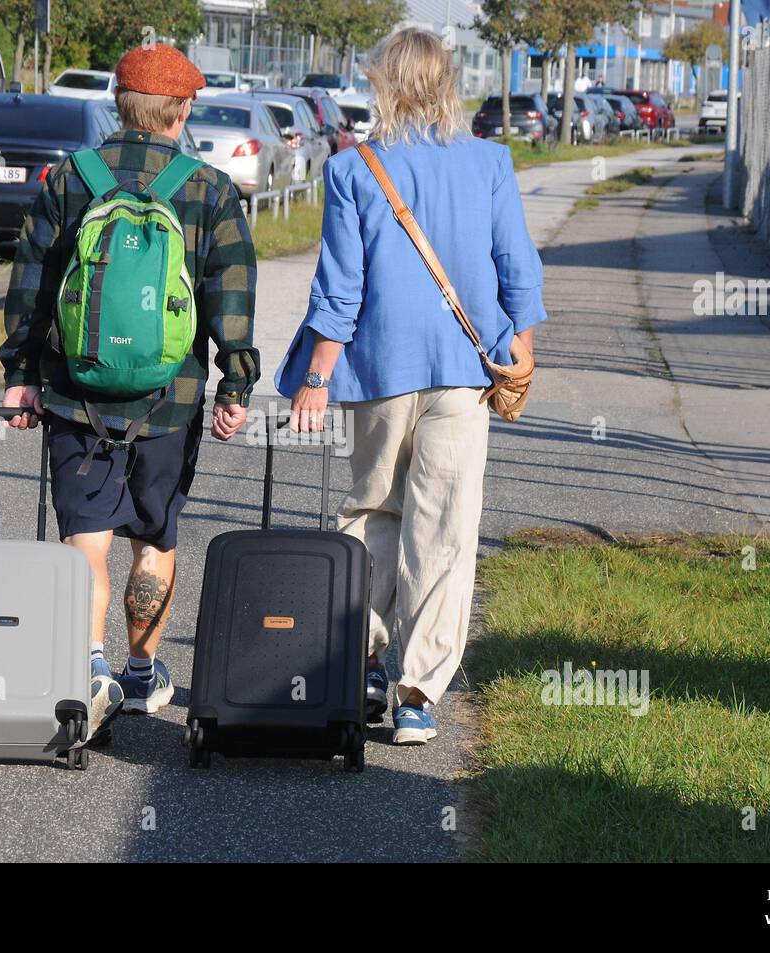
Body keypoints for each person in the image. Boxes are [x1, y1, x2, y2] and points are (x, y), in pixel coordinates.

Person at [275, 29, 546, 746]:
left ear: (383, 83)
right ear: (450, 81)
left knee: (371, 508)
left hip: (378, 369)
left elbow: (340, 288)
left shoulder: (353, 169)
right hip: (464, 369)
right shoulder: (490, 161)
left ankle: (362, 660)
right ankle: (418, 691)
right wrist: (519, 349)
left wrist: (315, 378)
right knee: (446, 528)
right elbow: (517, 266)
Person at [0, 42, 259, 742]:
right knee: (154, 535)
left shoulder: (67, 179)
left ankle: (88, 667)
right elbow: (229, 295)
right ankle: (142, 671)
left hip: (73, 393)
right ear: (180, 112)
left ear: (119, 105)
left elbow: (31, 287)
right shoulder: (207, 188)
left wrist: (20, 374)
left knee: (86, 537)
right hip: (167, 403)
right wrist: (236, 381)